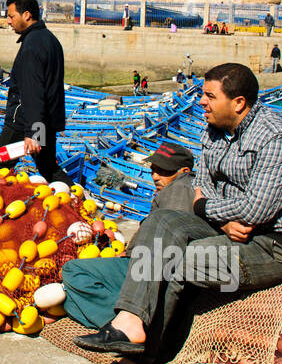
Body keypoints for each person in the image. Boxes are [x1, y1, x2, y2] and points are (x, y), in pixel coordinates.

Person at [74, 62, 282, 364]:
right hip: (228, 229)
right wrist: (222, 215)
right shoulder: (212, 130)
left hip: (274, 245)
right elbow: (202, 189)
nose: (201, 101)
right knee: (163, 221)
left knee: (173, 263)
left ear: (238, 103)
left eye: (209, 96)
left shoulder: (276, 138)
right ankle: (130, 321)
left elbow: (256, 210)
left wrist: (212, 208)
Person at [62, 143, 196, 334]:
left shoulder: (179, 188)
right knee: (70, 304)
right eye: (153, 170)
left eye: (163, 171)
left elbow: (170, 234)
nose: (155, 176)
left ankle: (127, 324)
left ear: (184, 171)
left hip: (147, 267)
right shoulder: (178, 188)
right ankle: (124, 316)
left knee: (71, 271)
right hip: (140, 261)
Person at [0, 0, 72, 186]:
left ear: (26, 15)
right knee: (47, 167)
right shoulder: (50, 40)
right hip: (44, 121)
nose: (8, 22)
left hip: (22, 122)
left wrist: (33, 133)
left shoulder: (32, 45)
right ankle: (75, 195)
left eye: (11, 16)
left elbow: (33, 92)